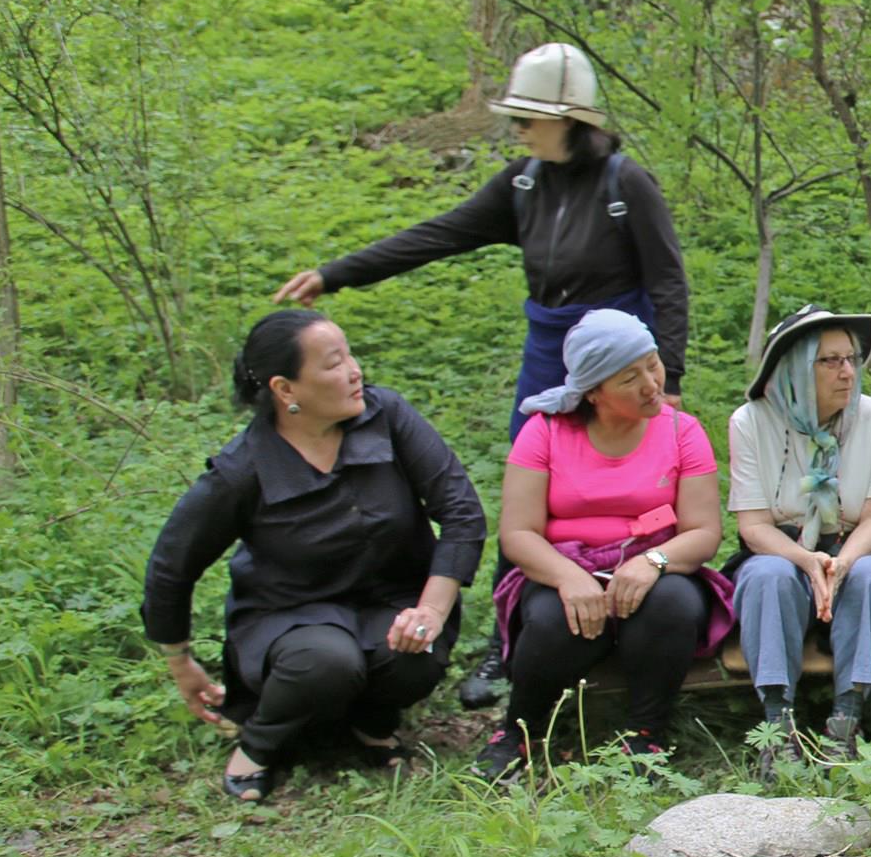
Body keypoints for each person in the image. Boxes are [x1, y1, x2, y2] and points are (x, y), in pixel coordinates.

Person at [275, 43, 691, 710]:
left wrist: (666, 380)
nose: (519, 128)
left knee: (630, 487)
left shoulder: (623, 184)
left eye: (530, 116)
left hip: (619, 363)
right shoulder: (522, 184)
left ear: (570, 118)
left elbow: (668, 280)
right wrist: (337, 273)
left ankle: (645, 616)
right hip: (548, 351)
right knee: (533, 494)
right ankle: (511, 642)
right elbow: (440, 233)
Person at [144, 312, 486, 802]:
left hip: (391, 598)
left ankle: (372, 723)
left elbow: (461, 511)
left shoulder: (386, 416)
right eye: (334, 363)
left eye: (350, 354)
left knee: (413, 652)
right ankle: (259, 744)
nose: (354, 370)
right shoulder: (243, 468)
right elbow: (172, 563)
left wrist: (431, 609)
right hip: (290, 616)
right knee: (326, 660)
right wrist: (180, 662)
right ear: (286, 389)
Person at [478, 310, 730, 780]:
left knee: (671, 604)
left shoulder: (681, 431)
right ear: (593, 392)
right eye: (629, 378)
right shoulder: (545, 431)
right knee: (554, 619)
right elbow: (518, 532)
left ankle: (645, 734)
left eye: (653, 365)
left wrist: (653, 561)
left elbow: (703, 532)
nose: (652, 384)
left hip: (656, 564)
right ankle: (520, 731)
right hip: (564, 565)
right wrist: (569, 577)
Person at [728, 306, 871, 750]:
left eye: (851, 358)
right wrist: (807, 562)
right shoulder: (750, 422)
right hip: (779, 549)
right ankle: (777, 726)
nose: (847, 371)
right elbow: (753, 526)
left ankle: (847, 718)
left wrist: (842, 563)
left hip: (855, 547)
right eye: (830, 361)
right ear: (791, 367)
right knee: (769, 578)